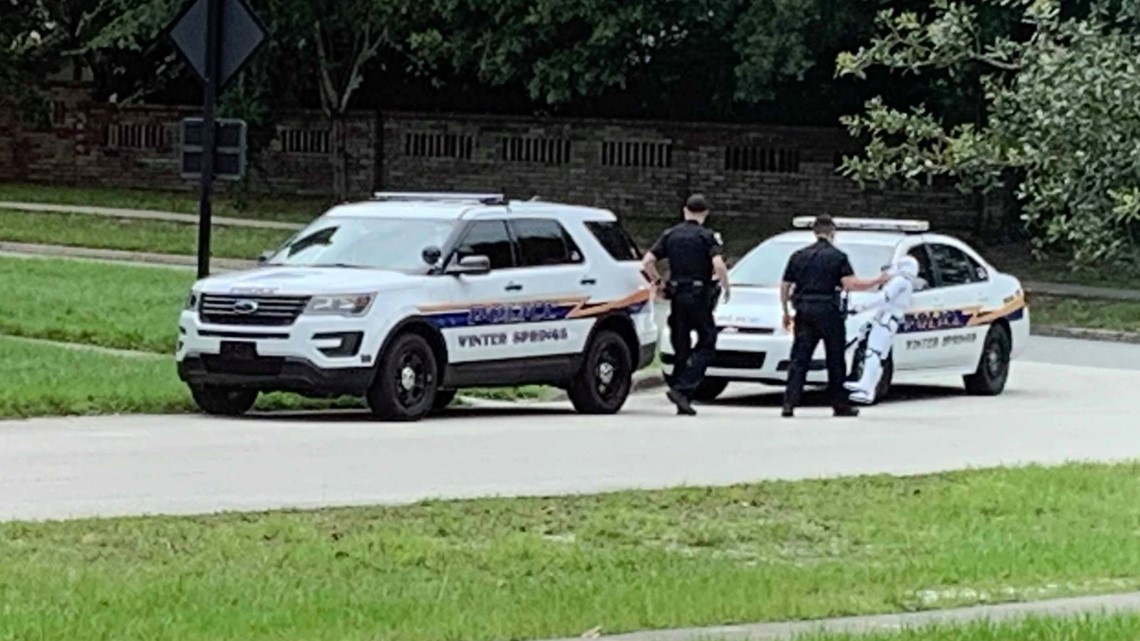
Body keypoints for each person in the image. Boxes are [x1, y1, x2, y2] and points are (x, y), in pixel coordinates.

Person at [779, 215, 888, 418]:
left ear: (814, 232)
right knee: (835, 359)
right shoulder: (838, 257)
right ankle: (840, 404)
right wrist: (878, 281)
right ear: (832, 232)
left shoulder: (798, 256)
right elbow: (850, 284)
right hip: (829, 311)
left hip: (804, 310)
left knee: (799, 359)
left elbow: (785, 286)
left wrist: (786, 312)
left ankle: (789, 403)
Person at [642, 194, 731, 416]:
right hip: (699, 295)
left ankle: (681, 396)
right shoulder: (707, 236)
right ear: (705, 213)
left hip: (677, 295)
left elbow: (648, 262)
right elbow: (718, 264)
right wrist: (726, 285)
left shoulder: (670, 234)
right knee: (707, 340)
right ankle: (683, 388)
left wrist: (658, 283)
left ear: (685, 210)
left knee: (681, 345)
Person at [844, 255, 920, 405]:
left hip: (885, 320)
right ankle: (869, 388)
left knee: (873, 353)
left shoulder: (899, 281)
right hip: (890, 321)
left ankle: (865, 386)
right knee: (880, 357)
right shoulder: (908, 283)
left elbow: (883, 297)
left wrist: (861, 307)